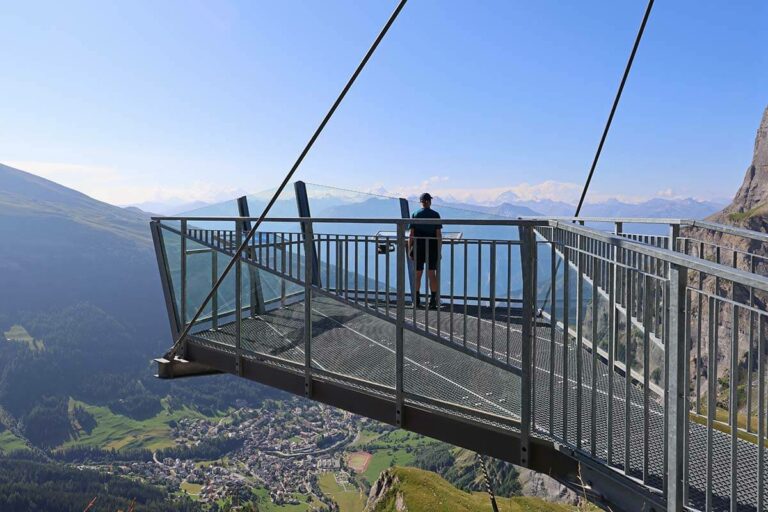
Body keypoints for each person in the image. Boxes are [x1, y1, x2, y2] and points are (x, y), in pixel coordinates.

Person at [407, 193, 442, 309]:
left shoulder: (415, 214)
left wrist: (409, 249)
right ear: (430, 201)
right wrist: (439, 251)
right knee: (432, 274)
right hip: (432, 247)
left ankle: (416, 301)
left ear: (421, 201)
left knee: (417, 275)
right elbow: (438, 235)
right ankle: (433, 301)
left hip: (418, 247)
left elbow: (411, 235)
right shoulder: (435, 215)